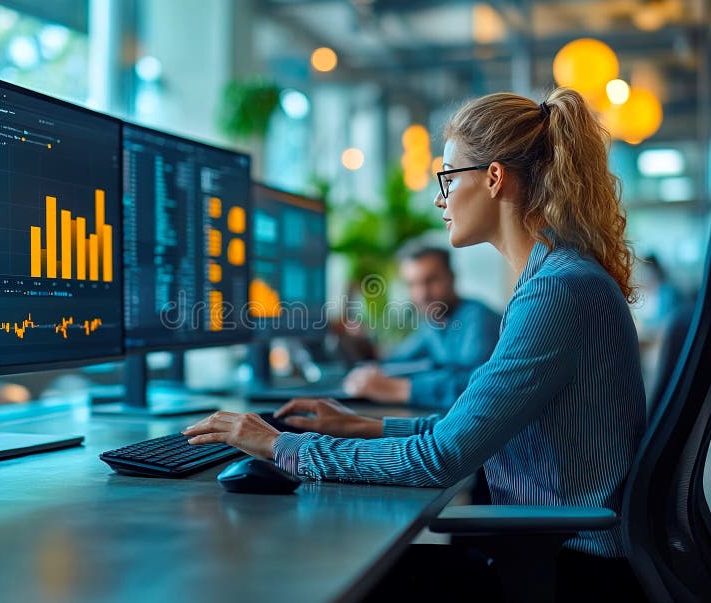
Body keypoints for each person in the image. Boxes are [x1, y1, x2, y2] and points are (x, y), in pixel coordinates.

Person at [184, 88, 647, 595]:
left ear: (494, 178)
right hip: (554, 551)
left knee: (311, 572)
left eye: (447, 179)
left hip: (566, 570)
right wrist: (362, 425)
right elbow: (470, 424)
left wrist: (279, 444)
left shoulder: (556, 291)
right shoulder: (556, 278)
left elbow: (441, 458)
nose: (439, 198)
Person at [342, 245, 500, 407]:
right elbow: (397, 359)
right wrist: (365, 349)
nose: (422, 294)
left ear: (452, 277)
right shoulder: (434, 324)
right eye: (412, 284)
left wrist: (396, 389)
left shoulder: (479, 319)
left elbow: (480, 386)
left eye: (430, 281)